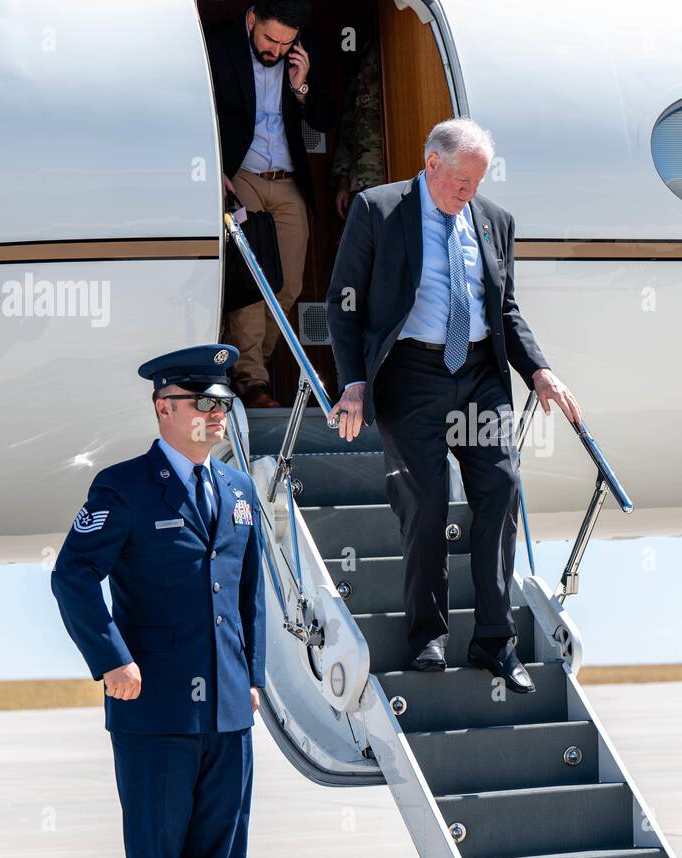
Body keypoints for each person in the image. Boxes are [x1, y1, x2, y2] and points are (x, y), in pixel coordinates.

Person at [324, 118, 582, 694]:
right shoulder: (378, 210)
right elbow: (344, 304)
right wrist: (353, 383)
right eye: (462, 181)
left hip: (479, 374)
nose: (470, 193)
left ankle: (496, 641)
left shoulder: (494, 221)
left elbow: (505, 309)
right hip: (411, 373)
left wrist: (539, 371)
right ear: (432, 163)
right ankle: (427, 635)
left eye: (479, 182)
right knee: (426, 501)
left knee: (501, 489)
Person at [50, 344, 267, 858]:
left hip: (230, 712)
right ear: (163, 407)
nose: (216, 414)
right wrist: (111, 660)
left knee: (224, 855)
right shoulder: (124, 488)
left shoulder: (238, 489)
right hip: (156, 713)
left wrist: (254, 676)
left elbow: (249, 591)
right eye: (201, 403)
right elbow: (72, 577)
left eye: (221, 403)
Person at [206, 1, 336, 407]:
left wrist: (301, 86)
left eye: (285, 42)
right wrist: (213, 168)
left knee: (289, 283)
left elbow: (325, 119)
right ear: (252, 19)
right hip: (239, 174)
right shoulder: (219, 43)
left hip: (286, 179)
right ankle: (252, 382)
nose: (277, 49)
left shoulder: (302, 51)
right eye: (269, 38)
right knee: (252, 280)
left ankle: (241, 365)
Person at [331, 38, 386, 219]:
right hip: (359, 185)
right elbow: (348, 128)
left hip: (391, 184)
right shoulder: (363, 58)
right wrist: (343, 181)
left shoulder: (396, 52)